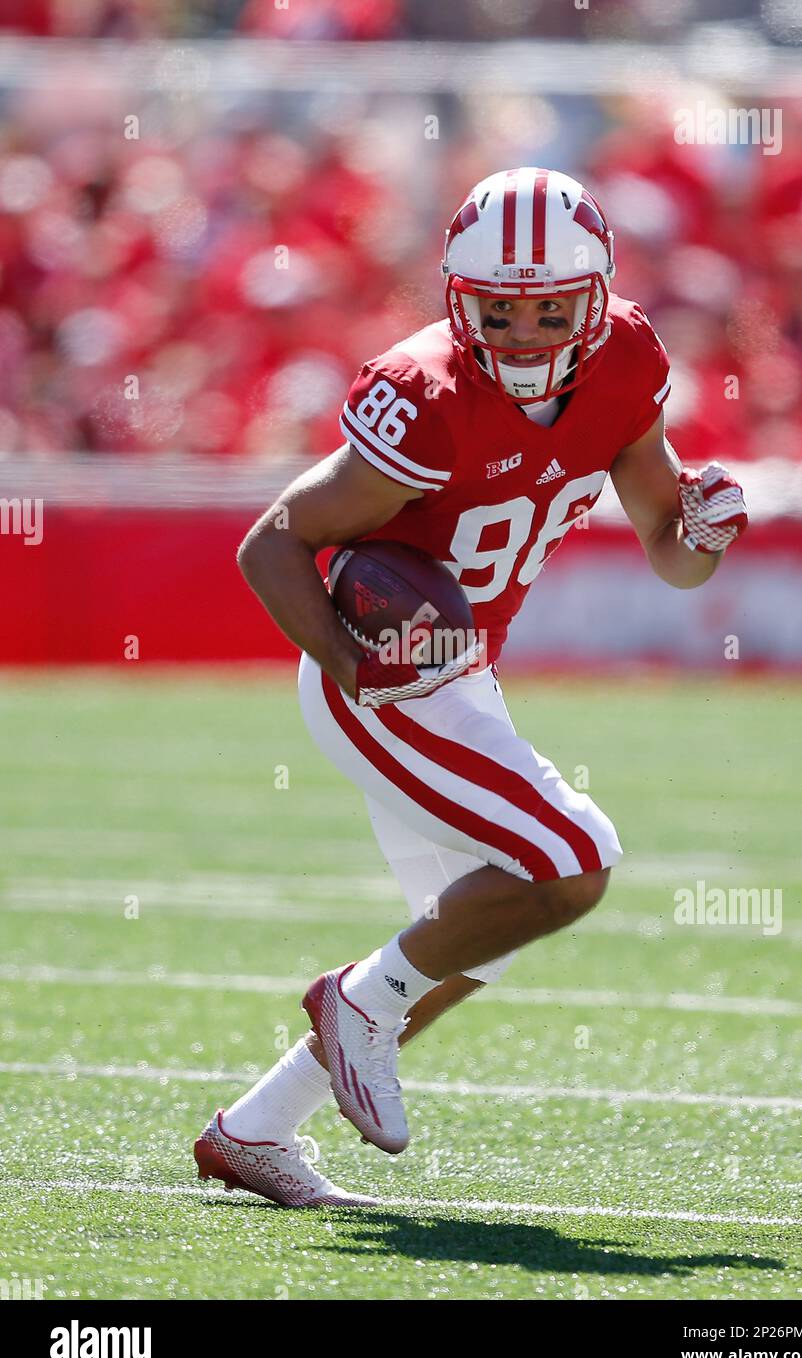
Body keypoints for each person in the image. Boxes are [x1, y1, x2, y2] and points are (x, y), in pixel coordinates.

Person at [194, 167, 747, 1206]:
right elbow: (272, 544)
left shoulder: (625, 361)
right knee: (573, 855)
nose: (529, 330)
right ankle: (357, 1003)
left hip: (460, 674)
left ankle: (254, 1129)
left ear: (598, 298)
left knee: (480, 932)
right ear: (458, 298)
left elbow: (670, 552)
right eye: (501, 307)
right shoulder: (428, 397)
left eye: (551, 307)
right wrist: (362, 669)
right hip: (386, 684)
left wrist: (701, 536)